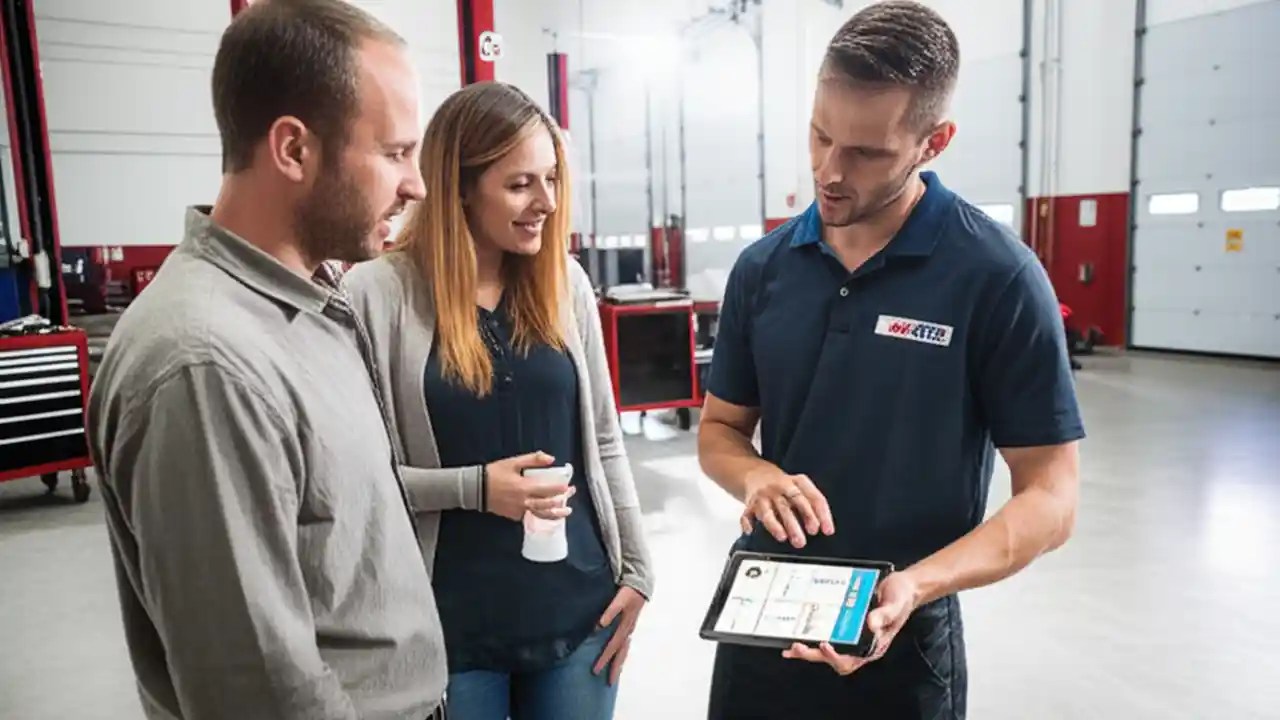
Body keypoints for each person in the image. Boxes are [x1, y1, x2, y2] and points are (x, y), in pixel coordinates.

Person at [697, 2, 1084, 718]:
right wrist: (754, 474)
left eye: (866, 152)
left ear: (934, 141)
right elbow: (719, 430)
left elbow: (1052, 498)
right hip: (762, 627)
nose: (829, 170)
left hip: (902, 642)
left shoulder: (996, 277)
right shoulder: (763, 270)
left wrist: (919, 584)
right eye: (819, 135)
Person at [86, 1, 447, 718]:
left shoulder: (311, 302)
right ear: (293, 149)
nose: (417, 186)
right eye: (394, 152)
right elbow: (255, 691)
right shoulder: (208, 365)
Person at [344, 81, 655, 720]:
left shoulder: (564, 283)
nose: (546, 202)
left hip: (579, 612)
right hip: (450, 628)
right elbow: (354, 484)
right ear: (458, 186)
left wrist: (639, 574)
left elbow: (601, 439)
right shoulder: (376, 295)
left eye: (552, 179)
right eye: (520, 185)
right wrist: (474, 489)